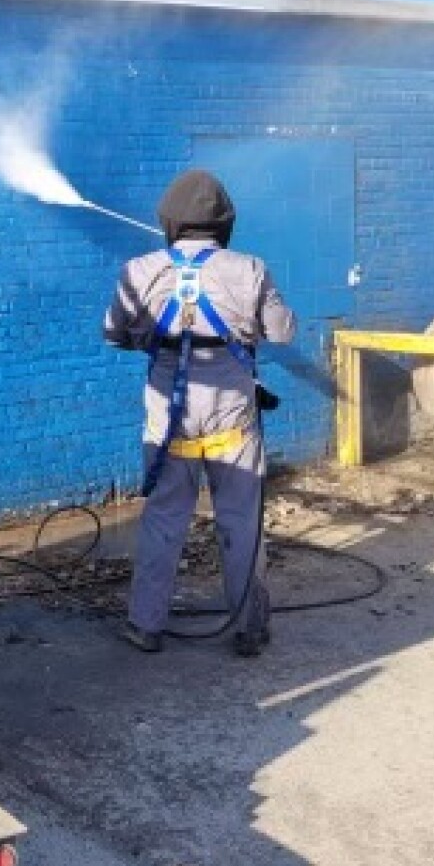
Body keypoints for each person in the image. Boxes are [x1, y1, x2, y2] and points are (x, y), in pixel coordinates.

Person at [103, 170, 296, 656]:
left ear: (169, 222)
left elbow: (114, 333)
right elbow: (283, 332)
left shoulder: (139, 270)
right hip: (233, 423)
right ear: (224, 223)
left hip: (169, 427)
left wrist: (156, 330)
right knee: (240, 521)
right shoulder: (250, 269)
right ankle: (249, 627)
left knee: (164, 520)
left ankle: (146, 625)